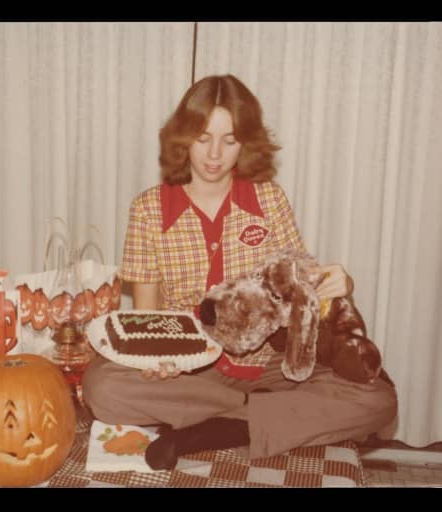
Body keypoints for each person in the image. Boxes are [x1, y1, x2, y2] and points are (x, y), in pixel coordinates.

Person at [82, 74, 397, 470]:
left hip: (271, 366)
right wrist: (158, 362)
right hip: (193, 374)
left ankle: (216, 429)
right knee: (101, 388)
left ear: (245, 143)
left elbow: (298, 291)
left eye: (229, 141)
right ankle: (253, 418)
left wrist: (339, 285)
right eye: (202, 138)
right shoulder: (148, 209)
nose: (214, 154)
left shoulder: (269, 198)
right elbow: (148, 320)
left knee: (379, 399)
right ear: (183, 138)